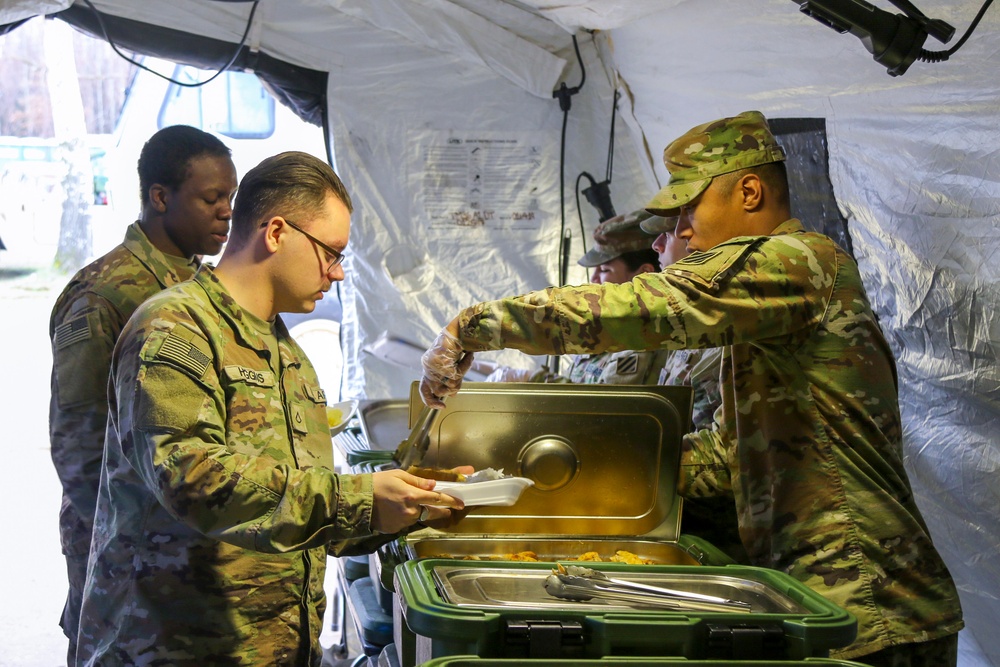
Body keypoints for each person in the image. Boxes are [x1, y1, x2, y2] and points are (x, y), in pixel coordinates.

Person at [418, 111, 963, 664]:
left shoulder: (797, 263)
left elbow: (642, 306)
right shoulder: (767, 307)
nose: (679, 229)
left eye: (688, 207)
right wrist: (579, 474)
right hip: (820, 600)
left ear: (749, 192)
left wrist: (475, 325)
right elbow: (733, 455)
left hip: (874, 606)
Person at [75, 151, 464, 666]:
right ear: (277, 232)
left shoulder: (287, 354)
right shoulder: (175, 329)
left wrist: (416, 504)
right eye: (331, 253)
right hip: (176, 648)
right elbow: (193, 480)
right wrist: (361, 497)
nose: (339, 273)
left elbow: (300, 511)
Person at [48, 125, 239, 662]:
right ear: (160, 197)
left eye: (231, 197)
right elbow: (78, 445)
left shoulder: (202, 286)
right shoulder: (103, 295)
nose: (227, 212)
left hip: (178, 546)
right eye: (211, 198)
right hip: (123, 553)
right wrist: (130, 546)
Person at [488, 209, 667, 384]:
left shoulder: (641, 339)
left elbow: (600, 407)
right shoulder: (610, 327)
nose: (594, 279)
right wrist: (533, 379)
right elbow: (577, 384)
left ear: (643, 275)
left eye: (605, 270)